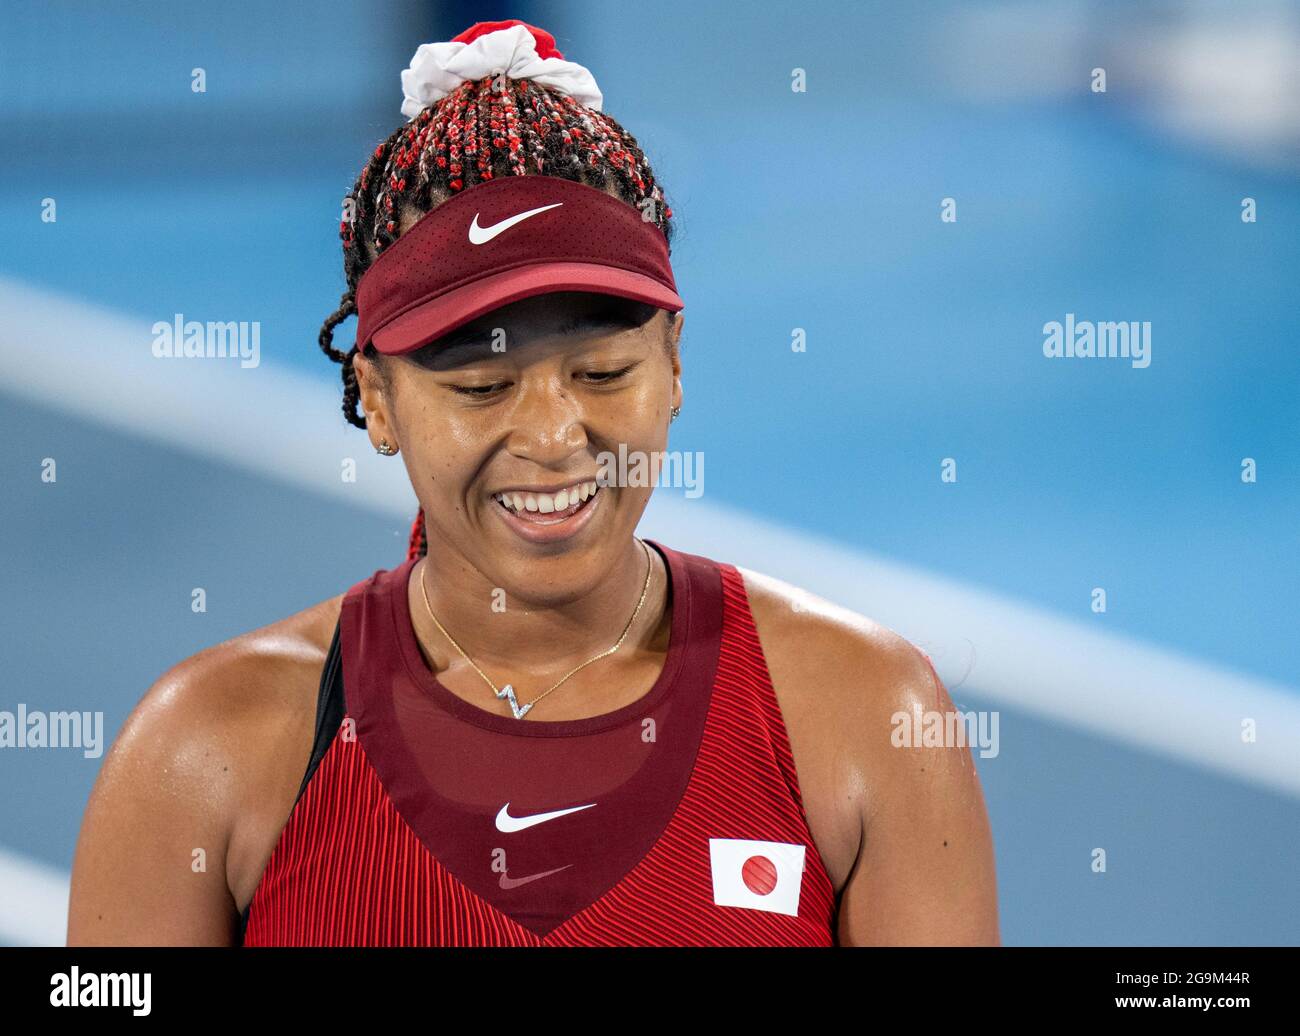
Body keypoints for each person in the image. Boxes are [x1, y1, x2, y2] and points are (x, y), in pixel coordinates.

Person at [66, 19, 999, 946]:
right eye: (483, 387)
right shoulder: (202, 755)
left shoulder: (870, 717)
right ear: (377, 400)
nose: (555, 437)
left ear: (674, 365)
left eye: (601, 375)